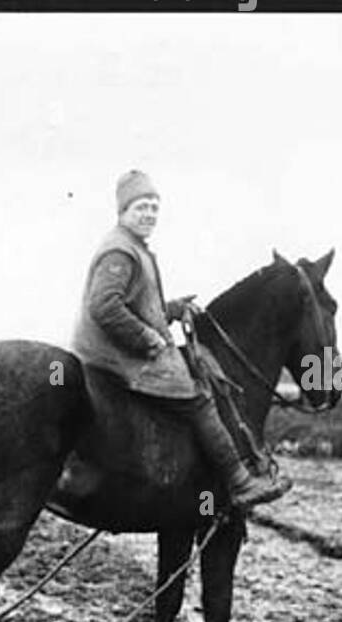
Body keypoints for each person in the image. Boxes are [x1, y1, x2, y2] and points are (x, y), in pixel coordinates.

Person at [71, 170, 291, 509]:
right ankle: (239, 480)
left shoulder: (133, 247)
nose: (149, 214)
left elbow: (136, 302)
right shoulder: (121, 251)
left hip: (117, 346)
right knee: (198, 396)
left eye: (154, 208)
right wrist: (147, 338)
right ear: (123, 211)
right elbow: (104, 306)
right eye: (141, 207)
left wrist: (171, 309)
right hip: (113, 352)